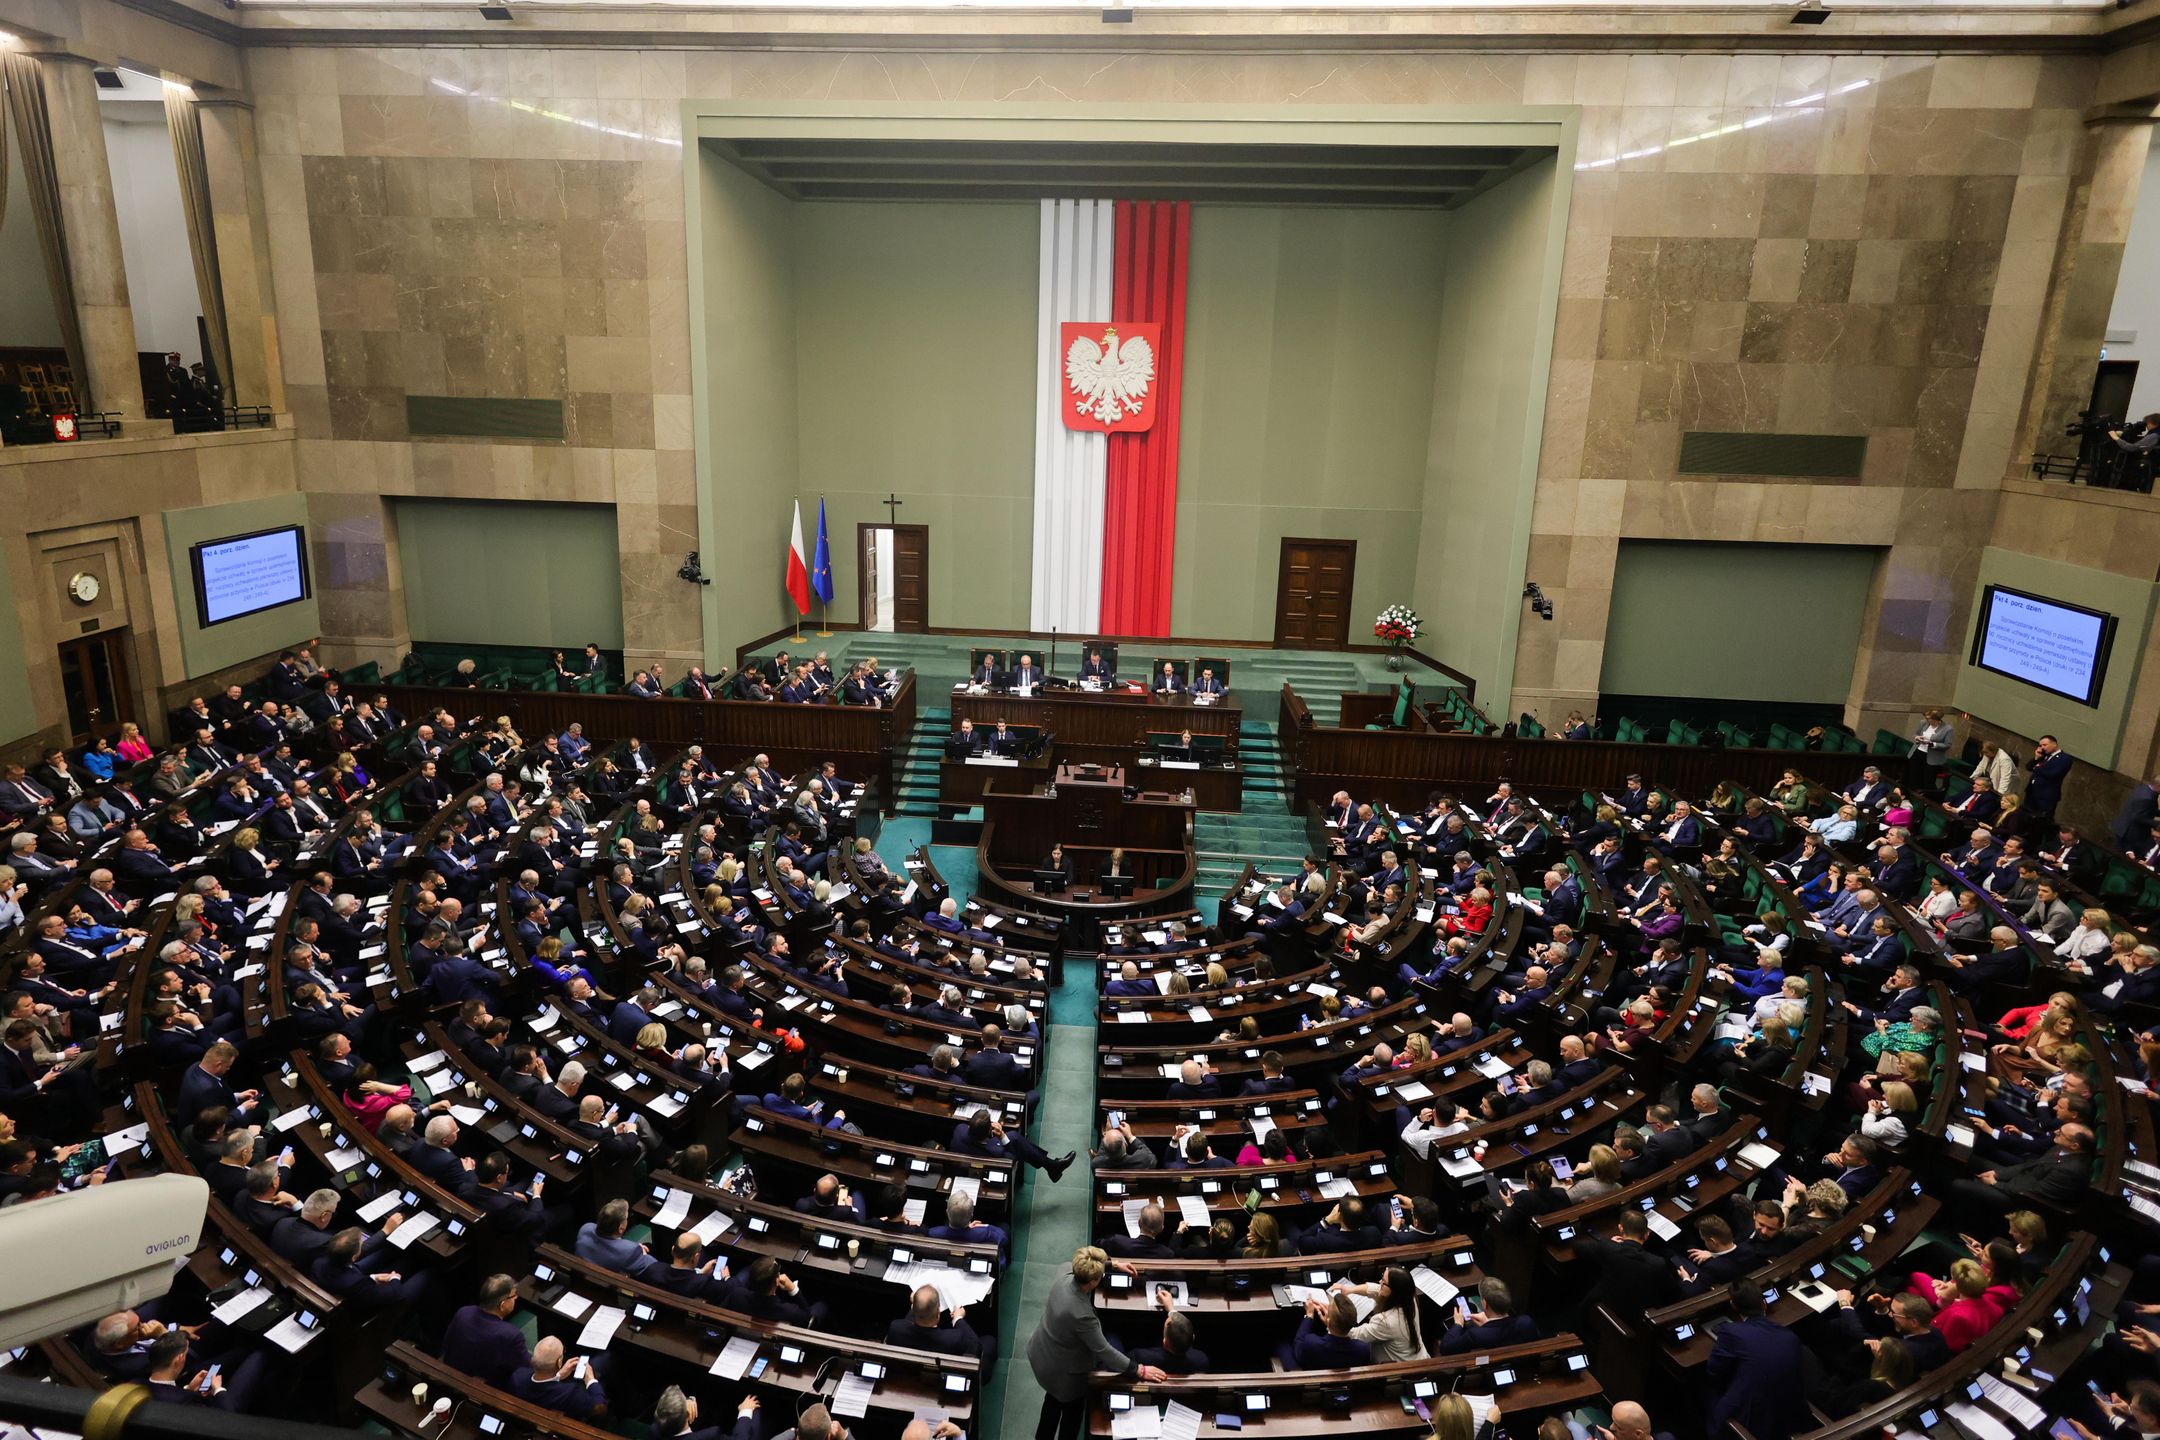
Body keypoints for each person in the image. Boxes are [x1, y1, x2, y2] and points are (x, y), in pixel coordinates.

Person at [1026, 1247, 1167, 1440]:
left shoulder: (1065, 1272)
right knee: (1071, 1412)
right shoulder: (1082, 1314)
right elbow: (1104, 1350)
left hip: (1043, 1350)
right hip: (1064, 1375)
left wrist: (1113, 1265)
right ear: (1094, 1281)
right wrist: (1139, 1370)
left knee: (1051, 1402)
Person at [1707, 1282, 1806, 1440]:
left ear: (1733, 1305)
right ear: (1764, 1303)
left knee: (1707, 1389)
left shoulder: (1730, 1332)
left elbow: (1714, 1372)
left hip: (1753, 1417)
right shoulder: (1789, 1336)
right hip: (1789, 1413)